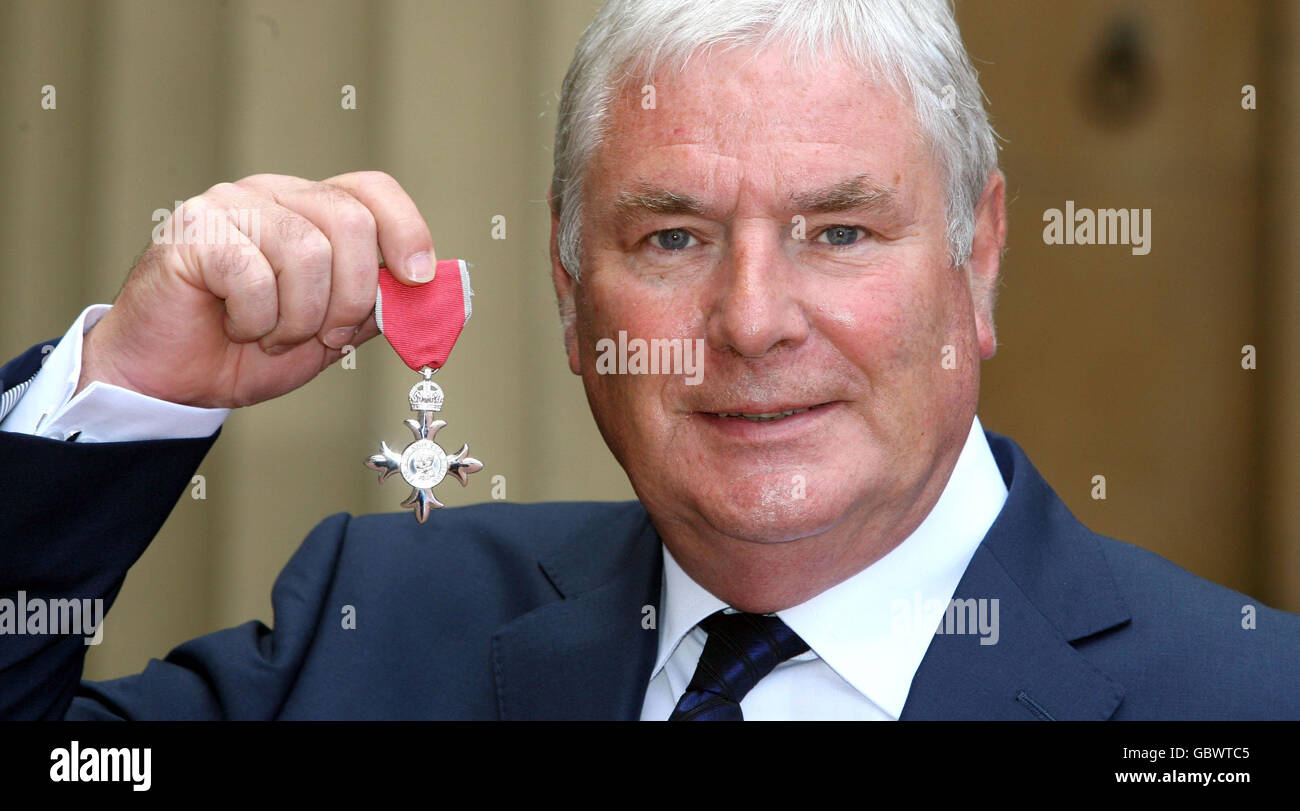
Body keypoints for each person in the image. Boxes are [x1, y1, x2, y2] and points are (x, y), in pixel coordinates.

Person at [1, 0, 1296, 721]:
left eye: (839, 232)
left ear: (979, 255)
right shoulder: (375, 633)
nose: (753, 320)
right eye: (672, 238)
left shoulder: (1240, 701)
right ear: (571, 293)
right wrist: (131, 384)